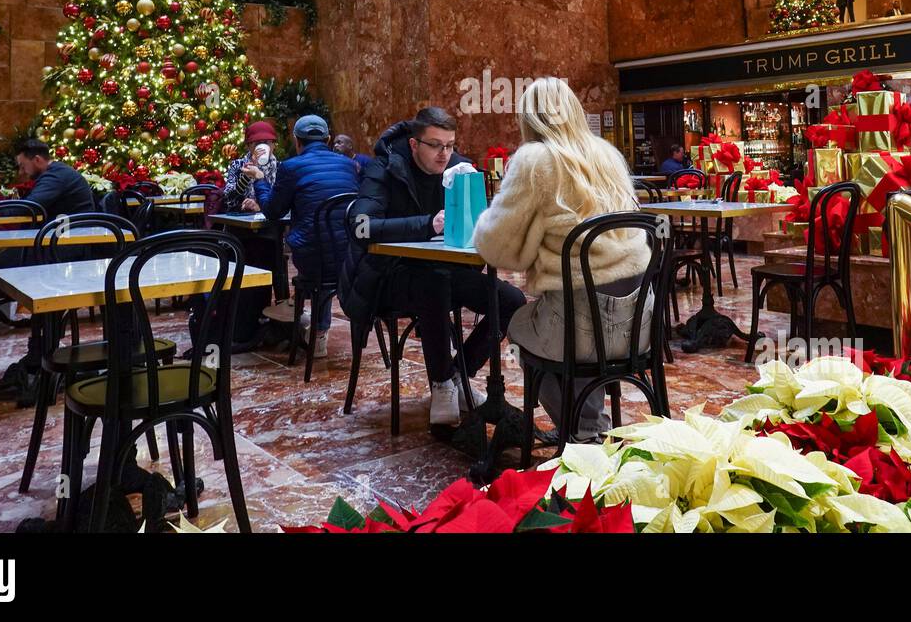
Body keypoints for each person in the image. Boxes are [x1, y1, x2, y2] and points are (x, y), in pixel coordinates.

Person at [475, 77, 652, 442]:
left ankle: (581, 432)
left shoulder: (534, 159)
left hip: (582, 327)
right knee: (571, 308)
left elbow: (496, 247)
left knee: (523, 326)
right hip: (640, 323)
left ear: (529, 118)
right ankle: (590, 427)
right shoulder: (607, 154)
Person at [339, 106, 525, 426]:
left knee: (510, 300)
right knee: (433, 283)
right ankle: (441, 385)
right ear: (414, 145)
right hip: (386, 275)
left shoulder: (455, 167)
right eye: (436, 145)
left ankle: (458, 377)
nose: (445, 154)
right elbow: (360, 226)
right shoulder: (384, 168)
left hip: (444, 270)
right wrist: (427, 224)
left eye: (450, 145)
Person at [249, 115, 359, 358]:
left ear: (297, 141)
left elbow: (273, 211)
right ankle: (318, 331)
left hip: (313, 260)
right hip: (351, 259)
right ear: (328, 139)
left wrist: (259, 180)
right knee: (329, 246)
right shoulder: (350, 165)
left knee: (316, 252)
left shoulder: (290, 167)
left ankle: (305, 321)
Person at [14, 139, 95, 219]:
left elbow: (29, 207)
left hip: (76, 230)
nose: (21, 172)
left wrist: (1, 211)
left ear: (37, 160)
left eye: (23, 166)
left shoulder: (55, 176)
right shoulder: (55, 171)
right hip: (70, 227)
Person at [224, 121, 278, 212]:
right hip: (241, 222)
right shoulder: (237, 166)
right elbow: (229, 200)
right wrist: (247, 176)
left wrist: (259, 207)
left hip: (271, 223)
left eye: (266, 143)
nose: (262, 147)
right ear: (248, 146)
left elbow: (282, 202)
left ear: (273, 145)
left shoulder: (280, 168)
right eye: (257, 143)